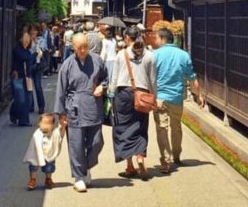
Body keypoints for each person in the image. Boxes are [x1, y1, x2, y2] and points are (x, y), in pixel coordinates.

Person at [54, 33, 108, 193]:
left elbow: (105, 78)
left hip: (93, 106)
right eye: (80, 48)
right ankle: (79, 176)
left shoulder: (97, 60)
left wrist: (102, 86)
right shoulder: (67, 64)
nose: (83, 50)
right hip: (74, 108)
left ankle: (86, 167)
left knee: (97, 142)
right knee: (76, 145)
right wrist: (61, 113)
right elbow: (60, 90)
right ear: (74, 47)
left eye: (85, 47)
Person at [152, 28, 205, 174]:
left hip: (160, 97)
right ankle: (176, 155)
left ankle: (166, 160)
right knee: (176, 127)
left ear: (163, 38)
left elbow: (150, 76)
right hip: (177, 97)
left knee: (162, 128)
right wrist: (199, 95)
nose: (155, 40)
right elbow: (192, 77)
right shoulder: (183, 55)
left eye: (156, 38)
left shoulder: (155, 55)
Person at [109, 26, 156, 179]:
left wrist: (111, 94)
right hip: (142, 94)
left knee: (123, 128)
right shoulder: (149, 55)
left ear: (128, 38)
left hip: (123, 93)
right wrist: (154, 97)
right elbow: (152, 79)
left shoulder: (121, 54)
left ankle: (129, 165)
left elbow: (114, 78)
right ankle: (140, 156)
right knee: (140, 126)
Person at [23, 113, 66, 190]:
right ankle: (32, 179)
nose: (46, 125)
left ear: (53, 125)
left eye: (49, 123)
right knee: (33, 166)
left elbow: (60, 134)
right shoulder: (37, 133)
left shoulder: (55, 132)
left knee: (49, 168)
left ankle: (48, 179)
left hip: (49, 154)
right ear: (39, 124)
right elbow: (33, 145)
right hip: (37, 154)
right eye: (44, 123)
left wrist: (63, 126)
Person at [10, 32, 34, 126]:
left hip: (27, 78)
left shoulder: (28, 51)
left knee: (27, 100)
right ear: (20, 39)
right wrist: (35, 54)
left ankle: (23, 120)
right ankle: (14, 113)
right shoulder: (17, 50)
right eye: (25, 37)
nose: (27, 39)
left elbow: (30, 63)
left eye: (28, 37)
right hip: (18, 77)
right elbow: (24, 58)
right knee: (20, 99)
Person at [29, 25, 46, 114]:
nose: (33, 32)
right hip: (28, 64)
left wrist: (35, 42)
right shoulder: (27, 39)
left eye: (35, 30)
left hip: (37, 65)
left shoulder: (41, 40)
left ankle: (41, 106)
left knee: (38, 86)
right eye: (32, 30)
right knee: (29, 87)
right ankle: (30, 106)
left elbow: (41, 51)